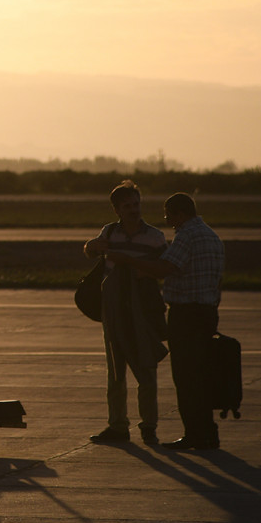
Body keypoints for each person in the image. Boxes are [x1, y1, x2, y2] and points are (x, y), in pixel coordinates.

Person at [112, 192, 225, 451]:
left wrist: (130, 261)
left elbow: (166, 268)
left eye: (169, 215)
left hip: (186, 315)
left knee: (186, 376)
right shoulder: (212, 236)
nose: (167, 221)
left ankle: (194, 434)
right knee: (202, 374)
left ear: (179, 213)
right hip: (207, 311)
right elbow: (219, 279)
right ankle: (208, 433)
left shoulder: (187, 235)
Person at [82, 180, 168, 445]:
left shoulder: (154, 237)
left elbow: (164, 269)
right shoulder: (110, 232)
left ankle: (149, 426)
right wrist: (92, 246)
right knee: (116, 371)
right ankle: (118, 426)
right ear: (117, 210)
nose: (134, 210)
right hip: (113, 309)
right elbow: (89, 251)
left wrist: (138, 268)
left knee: (146, 368)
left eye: (136, 204)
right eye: (128, 206)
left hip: (142, 308)